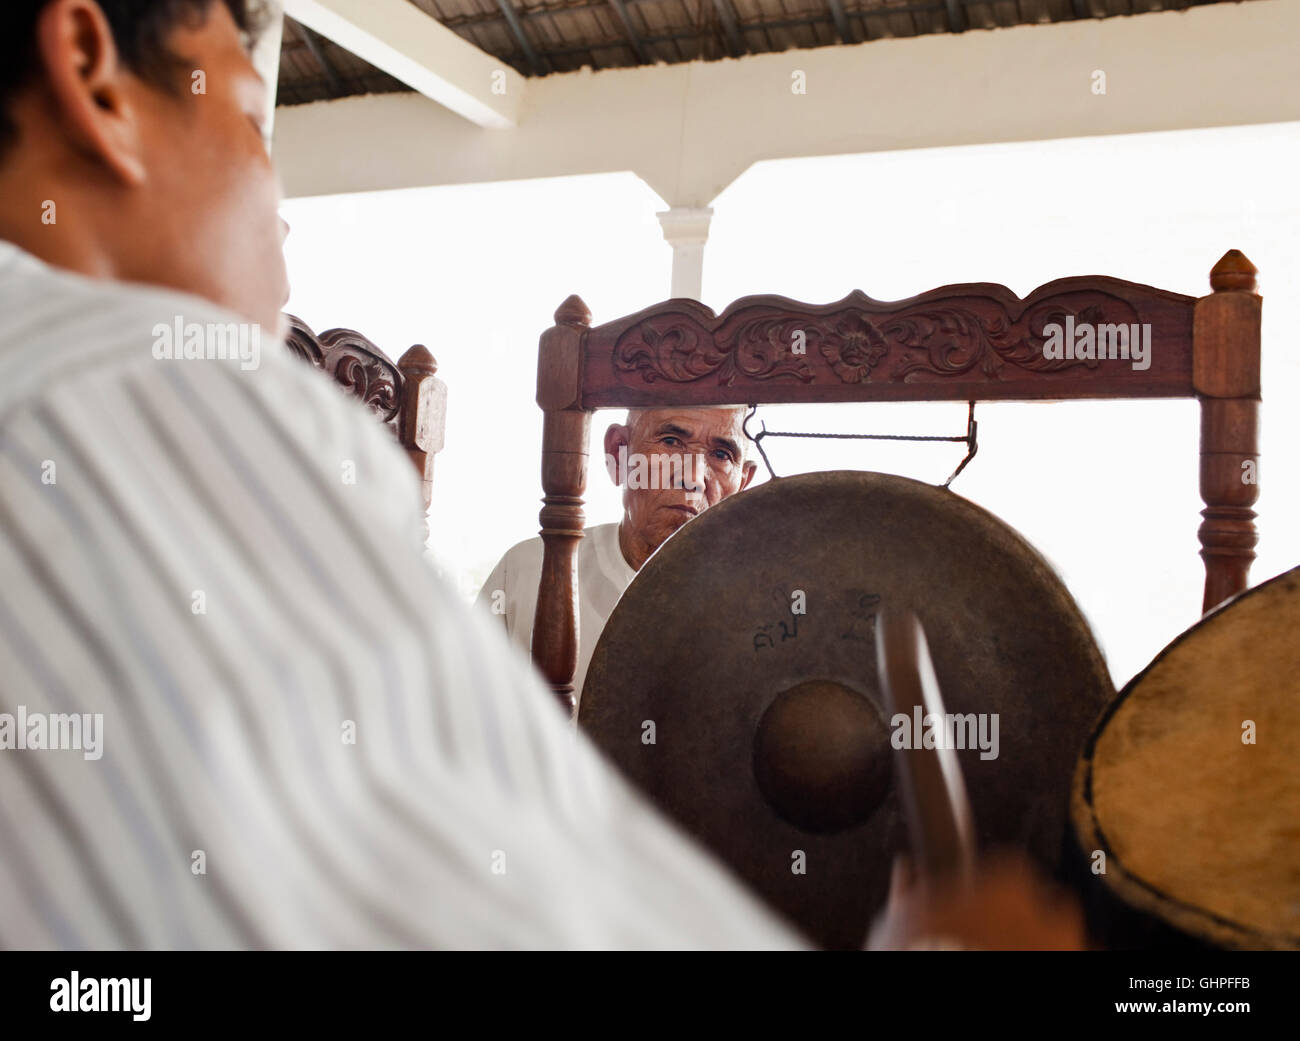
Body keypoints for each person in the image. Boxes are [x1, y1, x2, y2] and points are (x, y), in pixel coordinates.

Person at [0, 0, 1085, 950]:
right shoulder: (134, 386)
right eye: (249, 118)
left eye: (722, 452)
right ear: (93, 71)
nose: (279, 213)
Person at [477, 406, 756, 698]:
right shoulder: (527, 570)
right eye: (672, 441)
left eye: (722, 455)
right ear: (619, 453)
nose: (693, 479)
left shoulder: (764, 603)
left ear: (743, 483)